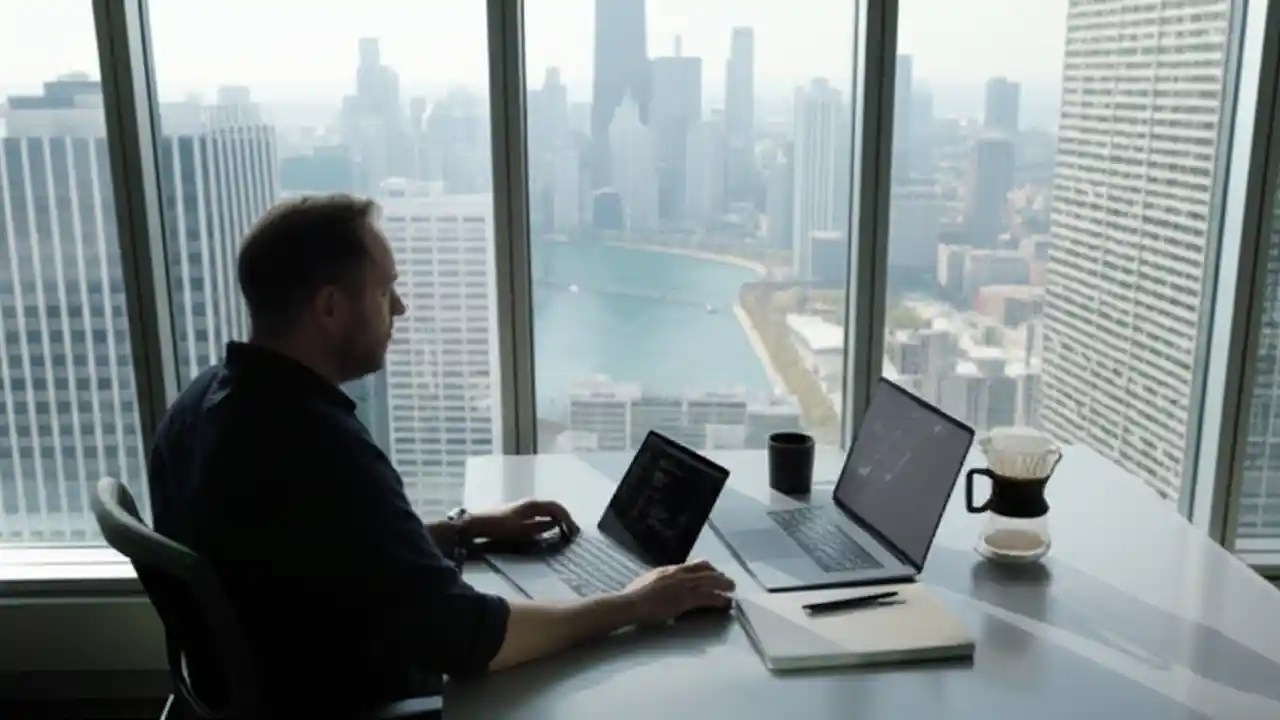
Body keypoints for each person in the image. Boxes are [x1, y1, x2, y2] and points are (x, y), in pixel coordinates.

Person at [146, 194, 735, 712]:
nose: (399, 310)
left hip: (278, 671)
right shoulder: (318, 447)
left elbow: (315, 551)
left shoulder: (203, 403)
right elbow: (470, 640)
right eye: (384, 291)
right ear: (330, 307)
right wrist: (633, 604)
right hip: (357, 696)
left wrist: (463, 529)